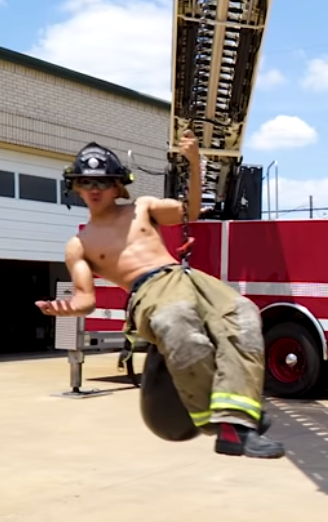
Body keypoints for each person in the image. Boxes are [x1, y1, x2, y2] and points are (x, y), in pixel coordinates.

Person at [35, 133, 285, 459]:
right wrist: (65, 308)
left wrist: (194, 163)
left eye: (103, 182)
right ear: (76, 187)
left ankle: (238, 419)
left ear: (118, 186)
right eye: (85, 182)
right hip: (149, 290)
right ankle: (227, 427)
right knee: (176, 324)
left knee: (243, 314)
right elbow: (87, 299)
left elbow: (190, 212)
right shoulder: (79, 245)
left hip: (188, 277)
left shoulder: (143, 207)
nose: (94, 189)